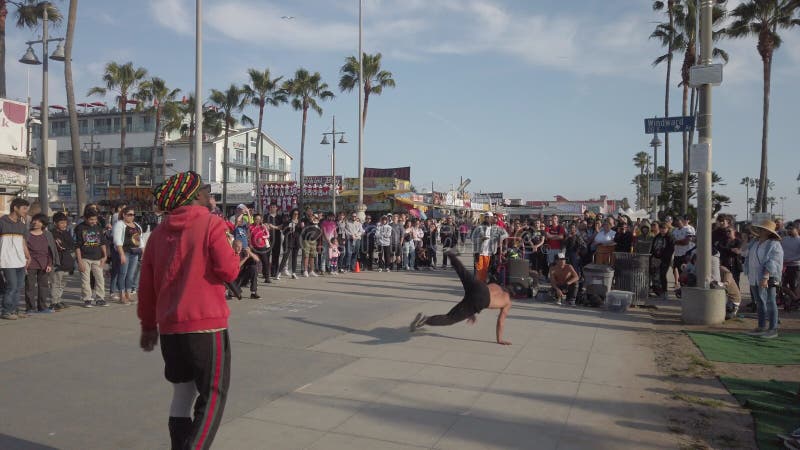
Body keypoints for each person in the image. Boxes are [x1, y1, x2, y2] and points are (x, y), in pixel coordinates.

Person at [138, 171, 240, 450]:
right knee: (213, 395)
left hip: (170, 327)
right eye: (206, 190)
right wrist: (236, 253)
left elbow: (146, 286)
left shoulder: (158, 234)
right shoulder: (211, 224)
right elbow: (228, 270)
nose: (210, 195)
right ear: (194, 196)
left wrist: (148, 325)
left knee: (183, 392)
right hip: (206, 323)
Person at [408, 250, 512, 345]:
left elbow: (476, 294)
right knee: (450, 318)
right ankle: (426, 320)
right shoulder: (507, 302)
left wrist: (470, 311)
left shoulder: (497, 286)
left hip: (479, 287)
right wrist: (499, 339)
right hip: (481, 300)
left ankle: (450, 254)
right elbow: (500, 322)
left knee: (462, 271)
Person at [744, 219, 783, 339]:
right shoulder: (754, 243)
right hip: (754, 277)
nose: (759, 231)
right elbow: (746, 255)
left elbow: (773, 262)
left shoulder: (774, 244)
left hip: (768, 278)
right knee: (759, 302)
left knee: (770, 302)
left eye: (762, 229)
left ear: (768, 232)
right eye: (759, 229)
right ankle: (761, 326)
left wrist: (765, 277)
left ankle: (773, 328)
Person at [0, 198, 31, 320]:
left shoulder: (22, 225)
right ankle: (6, 311)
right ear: (15, 208)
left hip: (20, 261)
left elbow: (23, 243)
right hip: (7, 261)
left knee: (18, 287)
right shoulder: (2, 222)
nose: (25, 212)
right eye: (24, 209)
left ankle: (15, 310)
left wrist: (28, 256)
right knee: (11, 286)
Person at [25, 213, 58, 314]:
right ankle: (30, 308)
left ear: (43, 223)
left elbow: (50, 250)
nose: (35, 222)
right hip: (29, 264)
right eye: (34, 220)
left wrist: (49, 264)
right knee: (29, 286)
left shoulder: (48, 234)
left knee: (43, 286)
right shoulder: (26, 233)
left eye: (39, 221)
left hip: (44, 264)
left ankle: (42, 307)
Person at [74, 209, 108, 308]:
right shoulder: (80, 228)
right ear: (85, 218)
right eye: (91, 219)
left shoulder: (98, 227)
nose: (93, 221)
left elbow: (102, 242)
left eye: (95, 219)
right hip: (85, 258)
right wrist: (79, 261)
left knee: (100, 278)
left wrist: (105, 256)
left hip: (97, 257)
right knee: (86, 280)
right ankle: (87, 299)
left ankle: (100, 298)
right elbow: (77, 246)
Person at [116, 207, 143, 305]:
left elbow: (140, 239)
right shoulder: (120, 224)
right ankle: (122, 296)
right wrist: (121, 254)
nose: (132, 216)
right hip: (125, 252)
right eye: (129, 214)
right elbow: (117, 240)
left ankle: (128, 294)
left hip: (134, 252)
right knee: (123, 273)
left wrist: (143, 251)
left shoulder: (136, 225)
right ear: (124, 215)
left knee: (131, 275)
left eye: (133, 215)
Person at [50, 212, 75, 311]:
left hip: (67, 262)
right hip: (58, 263)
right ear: (55, 223)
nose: (64, 225)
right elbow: (61, 246)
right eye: (61, 223)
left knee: (63, 283)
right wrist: (67, 247)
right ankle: (54, 302)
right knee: (56, 283)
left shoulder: (66, 232)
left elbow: (71, 245)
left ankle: (58, 300)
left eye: (65, 222)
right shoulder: (52, 234)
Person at [672, 215, 696, 296]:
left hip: (685, 255)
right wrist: (677, 242)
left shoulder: (688, 229)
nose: (677, 222)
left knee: (686, 273)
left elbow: (686, 241)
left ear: (682, 221)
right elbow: (672, 240)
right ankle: (683, 290)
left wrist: (676, 242)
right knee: (679, 273)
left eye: (679, 221)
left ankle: (688, 291)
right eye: (676, 221)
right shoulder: (674, 230)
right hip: (677, 254)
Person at [650, 222, 675, 298]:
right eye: (661, 228)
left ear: (667, 229)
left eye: (664, 228)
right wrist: (652, 257)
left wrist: (662, 258)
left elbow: (670, 250)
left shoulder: (670, 237)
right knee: (655, 275)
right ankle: (657, 291)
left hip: (665, 260)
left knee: (662, 275)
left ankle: (665, 292)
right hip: (656, 259)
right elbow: (653, 248)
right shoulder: (657, 236)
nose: (662, 230)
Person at [781, 222, 800, 308]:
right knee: (782, 285)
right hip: (785, 266)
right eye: (788, 229)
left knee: (794, 285)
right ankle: (795, 299)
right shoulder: (784, 239)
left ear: (797, 229)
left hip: (795, 266)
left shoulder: (799, 240)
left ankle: (794, 303)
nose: (789, 230)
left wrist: (791, 260)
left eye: (791, 229)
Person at [249, 213, 271, 283]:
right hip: (254, 247)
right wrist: (250, 245)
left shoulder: (263, 226)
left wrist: (261, 237)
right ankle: (252, 278)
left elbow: (268, 235)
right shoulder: (250, 226)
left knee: (265, 262)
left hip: (262, 247)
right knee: (253, 263)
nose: (257, 221)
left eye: (259, 219)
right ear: (254, 219)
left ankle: (267, 277)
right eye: (256, 219)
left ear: (261, 220)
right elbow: (248, 237)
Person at [264, 203, 284, 279]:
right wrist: (275, 227)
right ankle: (266, 272)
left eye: (274, 207)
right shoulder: (266, 216)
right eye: (271, 207)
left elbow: (281, 226)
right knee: (267, 255)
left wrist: (273, 226)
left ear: (276, 208)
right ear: (269, 208)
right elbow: (266, 225)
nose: (272, 208)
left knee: (276, 255)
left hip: (277, 238)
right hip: (268, 238)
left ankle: (274, 272)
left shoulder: (279, 217)